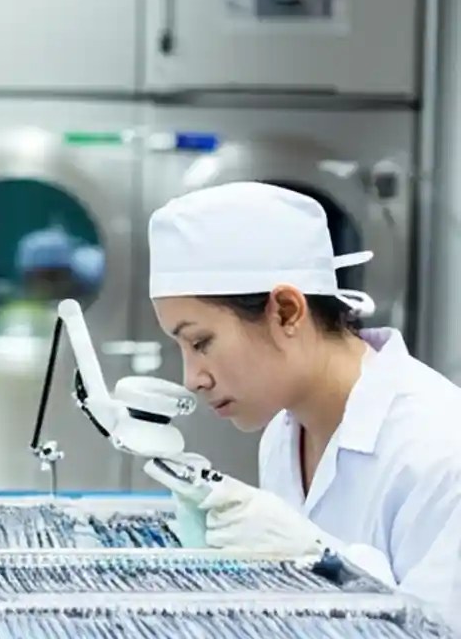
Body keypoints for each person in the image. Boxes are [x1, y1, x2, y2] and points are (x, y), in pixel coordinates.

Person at [140, 182, 461, 630]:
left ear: (287, 311)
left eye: (200, 342)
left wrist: (320, 559)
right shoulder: (283, 434)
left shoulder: (440, 448)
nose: (192, 378)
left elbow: (439, 627)